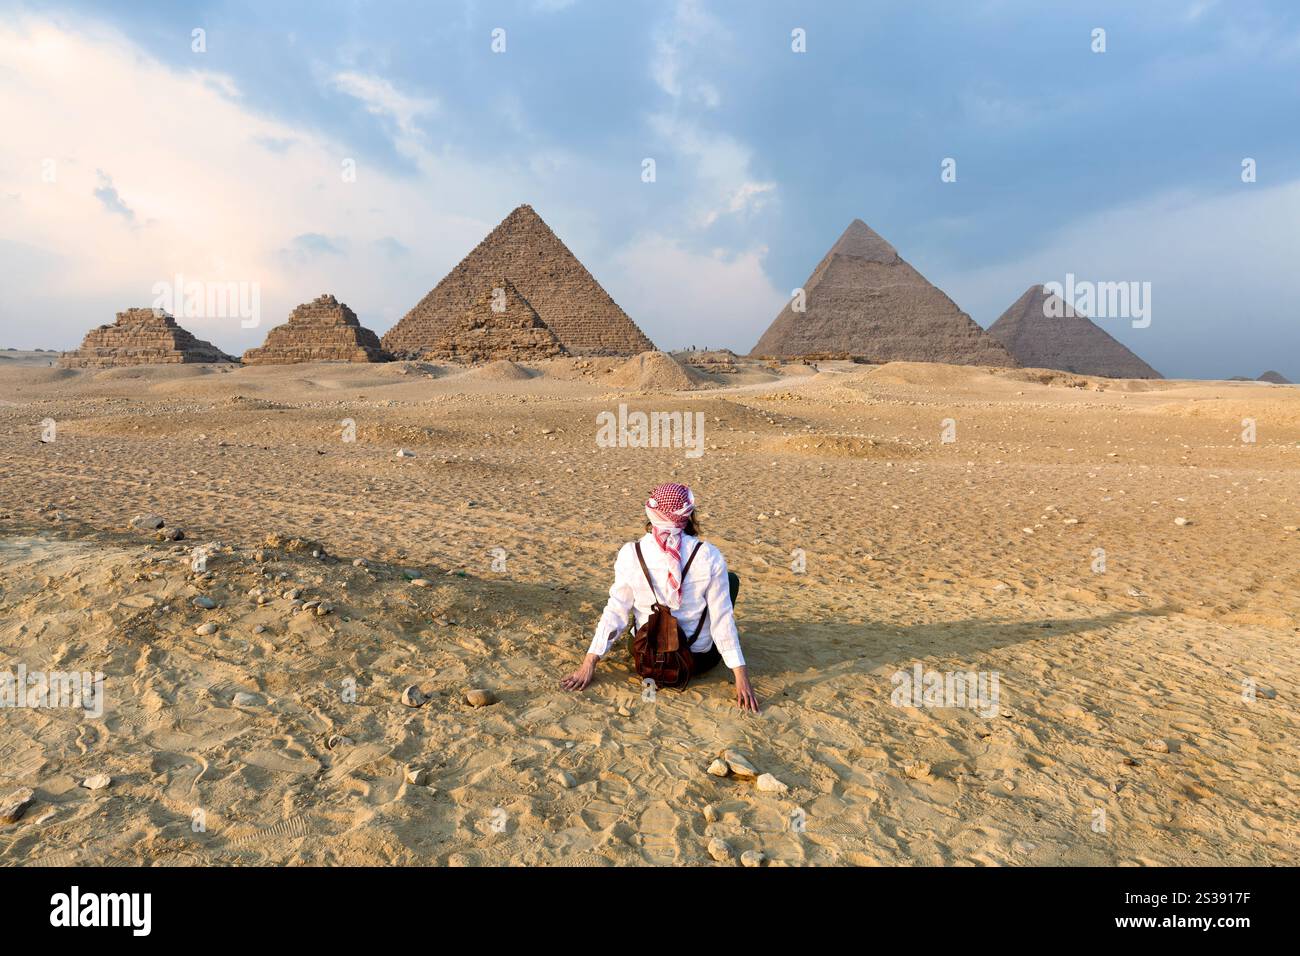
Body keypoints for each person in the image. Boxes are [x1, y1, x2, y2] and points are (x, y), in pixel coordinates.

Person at [560, 482, 759, 712]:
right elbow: (721, 619)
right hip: (694, 661)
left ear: (651, 513)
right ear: (688, 514)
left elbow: (615, 612)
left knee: (634, 602)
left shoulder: (630, 553)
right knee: (730, 581)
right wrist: (741, 677)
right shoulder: (708, 555)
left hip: (645, 656)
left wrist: (588, 664)